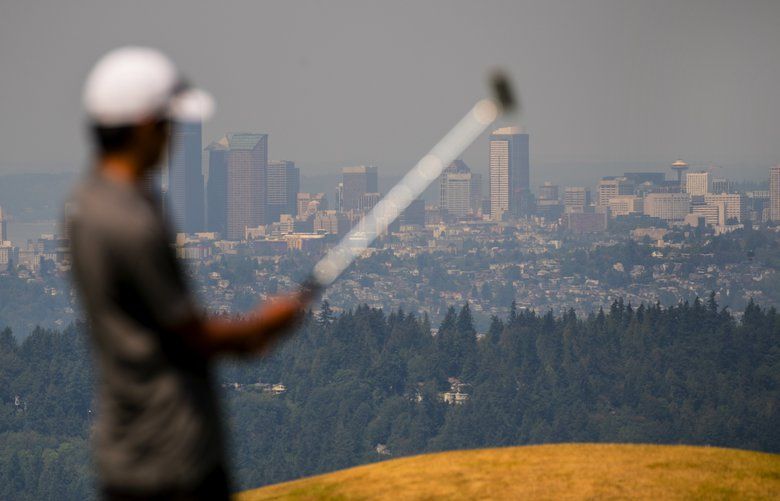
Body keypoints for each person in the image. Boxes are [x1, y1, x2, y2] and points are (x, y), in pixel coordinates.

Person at [67, 47, 312, 501]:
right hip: (174, 456)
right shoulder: (133, 220)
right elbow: (190, 335)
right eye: (169, 125)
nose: (173, 138)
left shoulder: (84, 207)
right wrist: (263, 326)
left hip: (123, 450)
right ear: (145, 125)